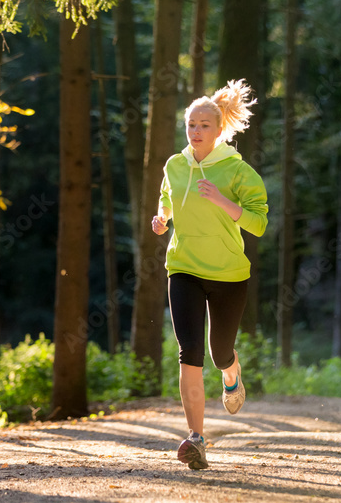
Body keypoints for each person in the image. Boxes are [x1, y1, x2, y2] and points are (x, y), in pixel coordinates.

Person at [150, 79, 269, 470]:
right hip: (183, 267)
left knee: (219, 352)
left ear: (219, 130)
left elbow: (258, 224)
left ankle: (232, 371)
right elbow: (168, 195)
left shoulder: (238, 171)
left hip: (228, 273)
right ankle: (197, 439)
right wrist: (163, 218)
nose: (196, 132)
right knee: (190, 353)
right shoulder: (175, 164)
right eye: (191, 124)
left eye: (204, 125)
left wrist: (221, 201)